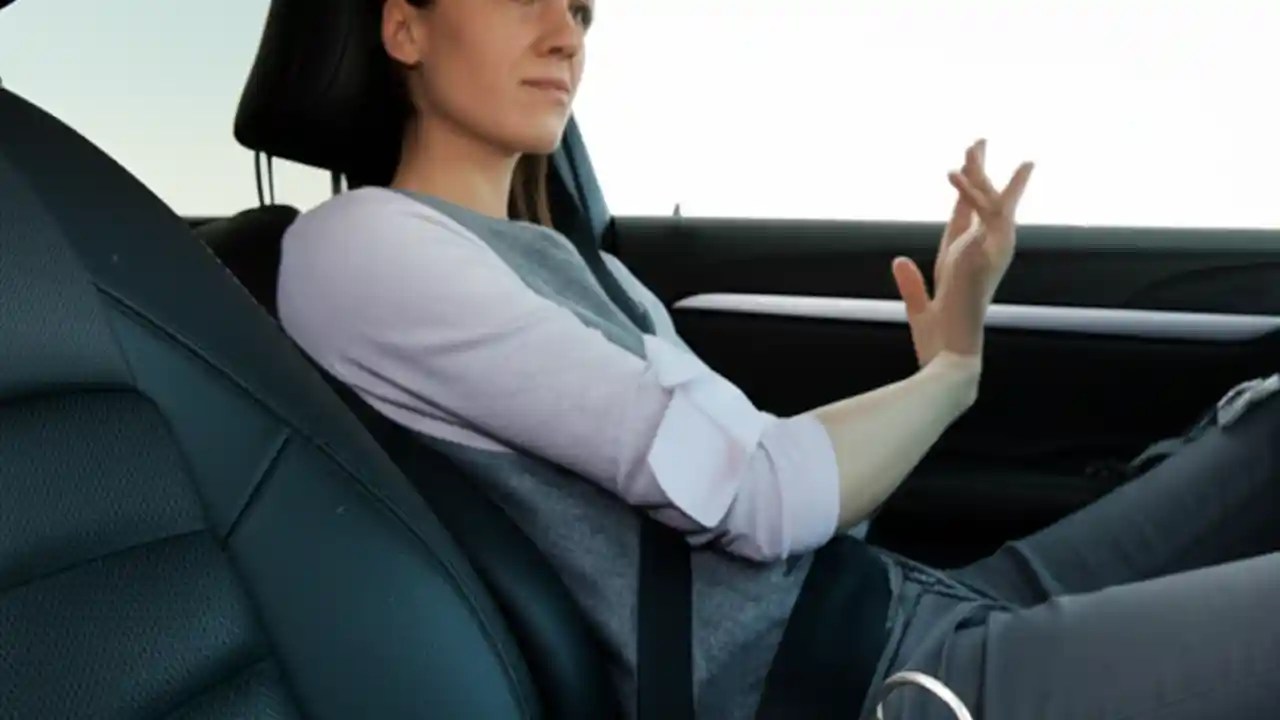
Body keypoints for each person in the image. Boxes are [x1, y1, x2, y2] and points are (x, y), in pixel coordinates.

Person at [275, 1, 1280, 718]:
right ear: (402, 27)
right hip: (859, 684)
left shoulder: (599, 279)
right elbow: (758, 494)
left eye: (580, 9)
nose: (565, 34)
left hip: (906, 601)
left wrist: (954, 356)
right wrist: (939, 383)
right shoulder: (361, 247)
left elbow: (793, 486)